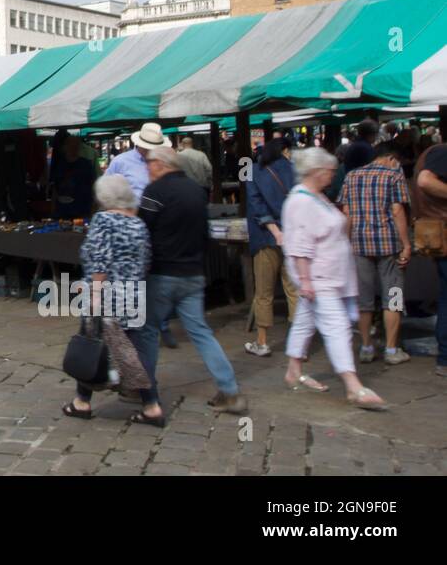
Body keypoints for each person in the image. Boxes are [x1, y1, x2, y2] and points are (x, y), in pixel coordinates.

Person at [135, 146, 246, 414]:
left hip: (162, 274)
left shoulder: (154, 192)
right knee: (201, 332)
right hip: (193, 273)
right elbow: (204, 233)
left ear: (161, 165)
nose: (147, 167)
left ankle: (146, 393)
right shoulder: (197, 191)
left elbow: (142, 230)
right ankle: (229, 390)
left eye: (149, 163)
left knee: (147, 332)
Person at [281, 148, 386, 410]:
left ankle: (293, 370)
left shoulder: (317, 197)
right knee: (337, 326)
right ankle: (353, 386)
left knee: (306, 322)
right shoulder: (301, 201)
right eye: (329, 171)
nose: (332, 175)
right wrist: (305, 280)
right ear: (317, 172)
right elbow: (300, 245)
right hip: (318, 277)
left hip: (328, 275)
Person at [61, 175, 163, 426]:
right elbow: (146, 260)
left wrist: (95, 295)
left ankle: (82, 402)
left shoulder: (104, 220)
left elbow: (100, 261)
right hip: (132, 294)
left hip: (107, 295)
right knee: (134, 354)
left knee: (89, 345)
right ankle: (151, 405)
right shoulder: (137, 223)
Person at [340, 141, 412, 365]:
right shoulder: (393, 175)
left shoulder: (351, 176)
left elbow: (346, 212)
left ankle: (366, 347)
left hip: (359, 245)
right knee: (394, 295)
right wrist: (406, 243)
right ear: (392, 158)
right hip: (388, 244)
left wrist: (347, 240)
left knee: (364, 300)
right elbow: (397, 209)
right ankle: (391, 350)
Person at [111, 123, 178, 348]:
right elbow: (107, 188)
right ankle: (139, 323)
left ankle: (162, 323)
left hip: (158, 224)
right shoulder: (121, 162)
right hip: (132, 224)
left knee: (159, 274)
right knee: (136, 276)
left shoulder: (164, 162)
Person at [243, 139, 298, 356]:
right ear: (285, 151)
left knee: (263, 292)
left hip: (265, 237)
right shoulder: (296, 171)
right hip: (293, 237)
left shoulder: (252, 171)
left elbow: (256, 205)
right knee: (294, 290)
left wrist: (276, 233)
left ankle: (262, 342)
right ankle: (296, 343)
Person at [409, 138, 447, 378]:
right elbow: (425, 181)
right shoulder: (442, 152)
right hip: (441, 234)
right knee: (394, 296)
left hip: (435, 236)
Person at [50, 136, 94, 220]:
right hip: (61, 211)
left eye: (76, 145)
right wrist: (53, 209)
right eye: (70, 144)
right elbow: (55, 188)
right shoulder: (59, 164)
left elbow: (92, 186)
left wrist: (92, 210)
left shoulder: (86, 164)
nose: (73, 147)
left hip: (81, 210)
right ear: (65, 147)